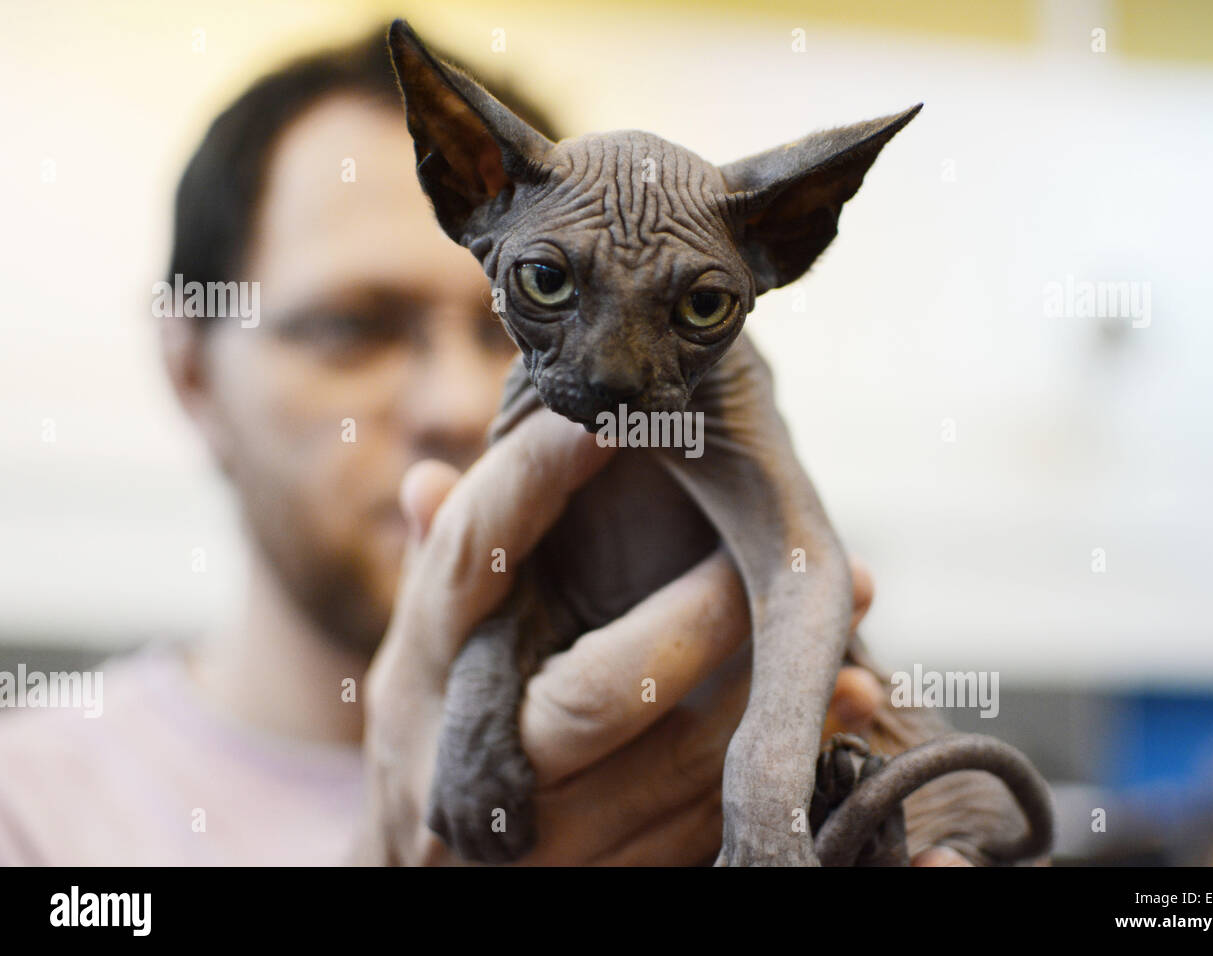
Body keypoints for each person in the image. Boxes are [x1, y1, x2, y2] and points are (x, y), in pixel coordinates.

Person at [0, 28, 1023, 866]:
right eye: (353, 327)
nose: (455, 403)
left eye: (495, 330)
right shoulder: (34, 816)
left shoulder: (681, 416)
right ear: (189, 364)